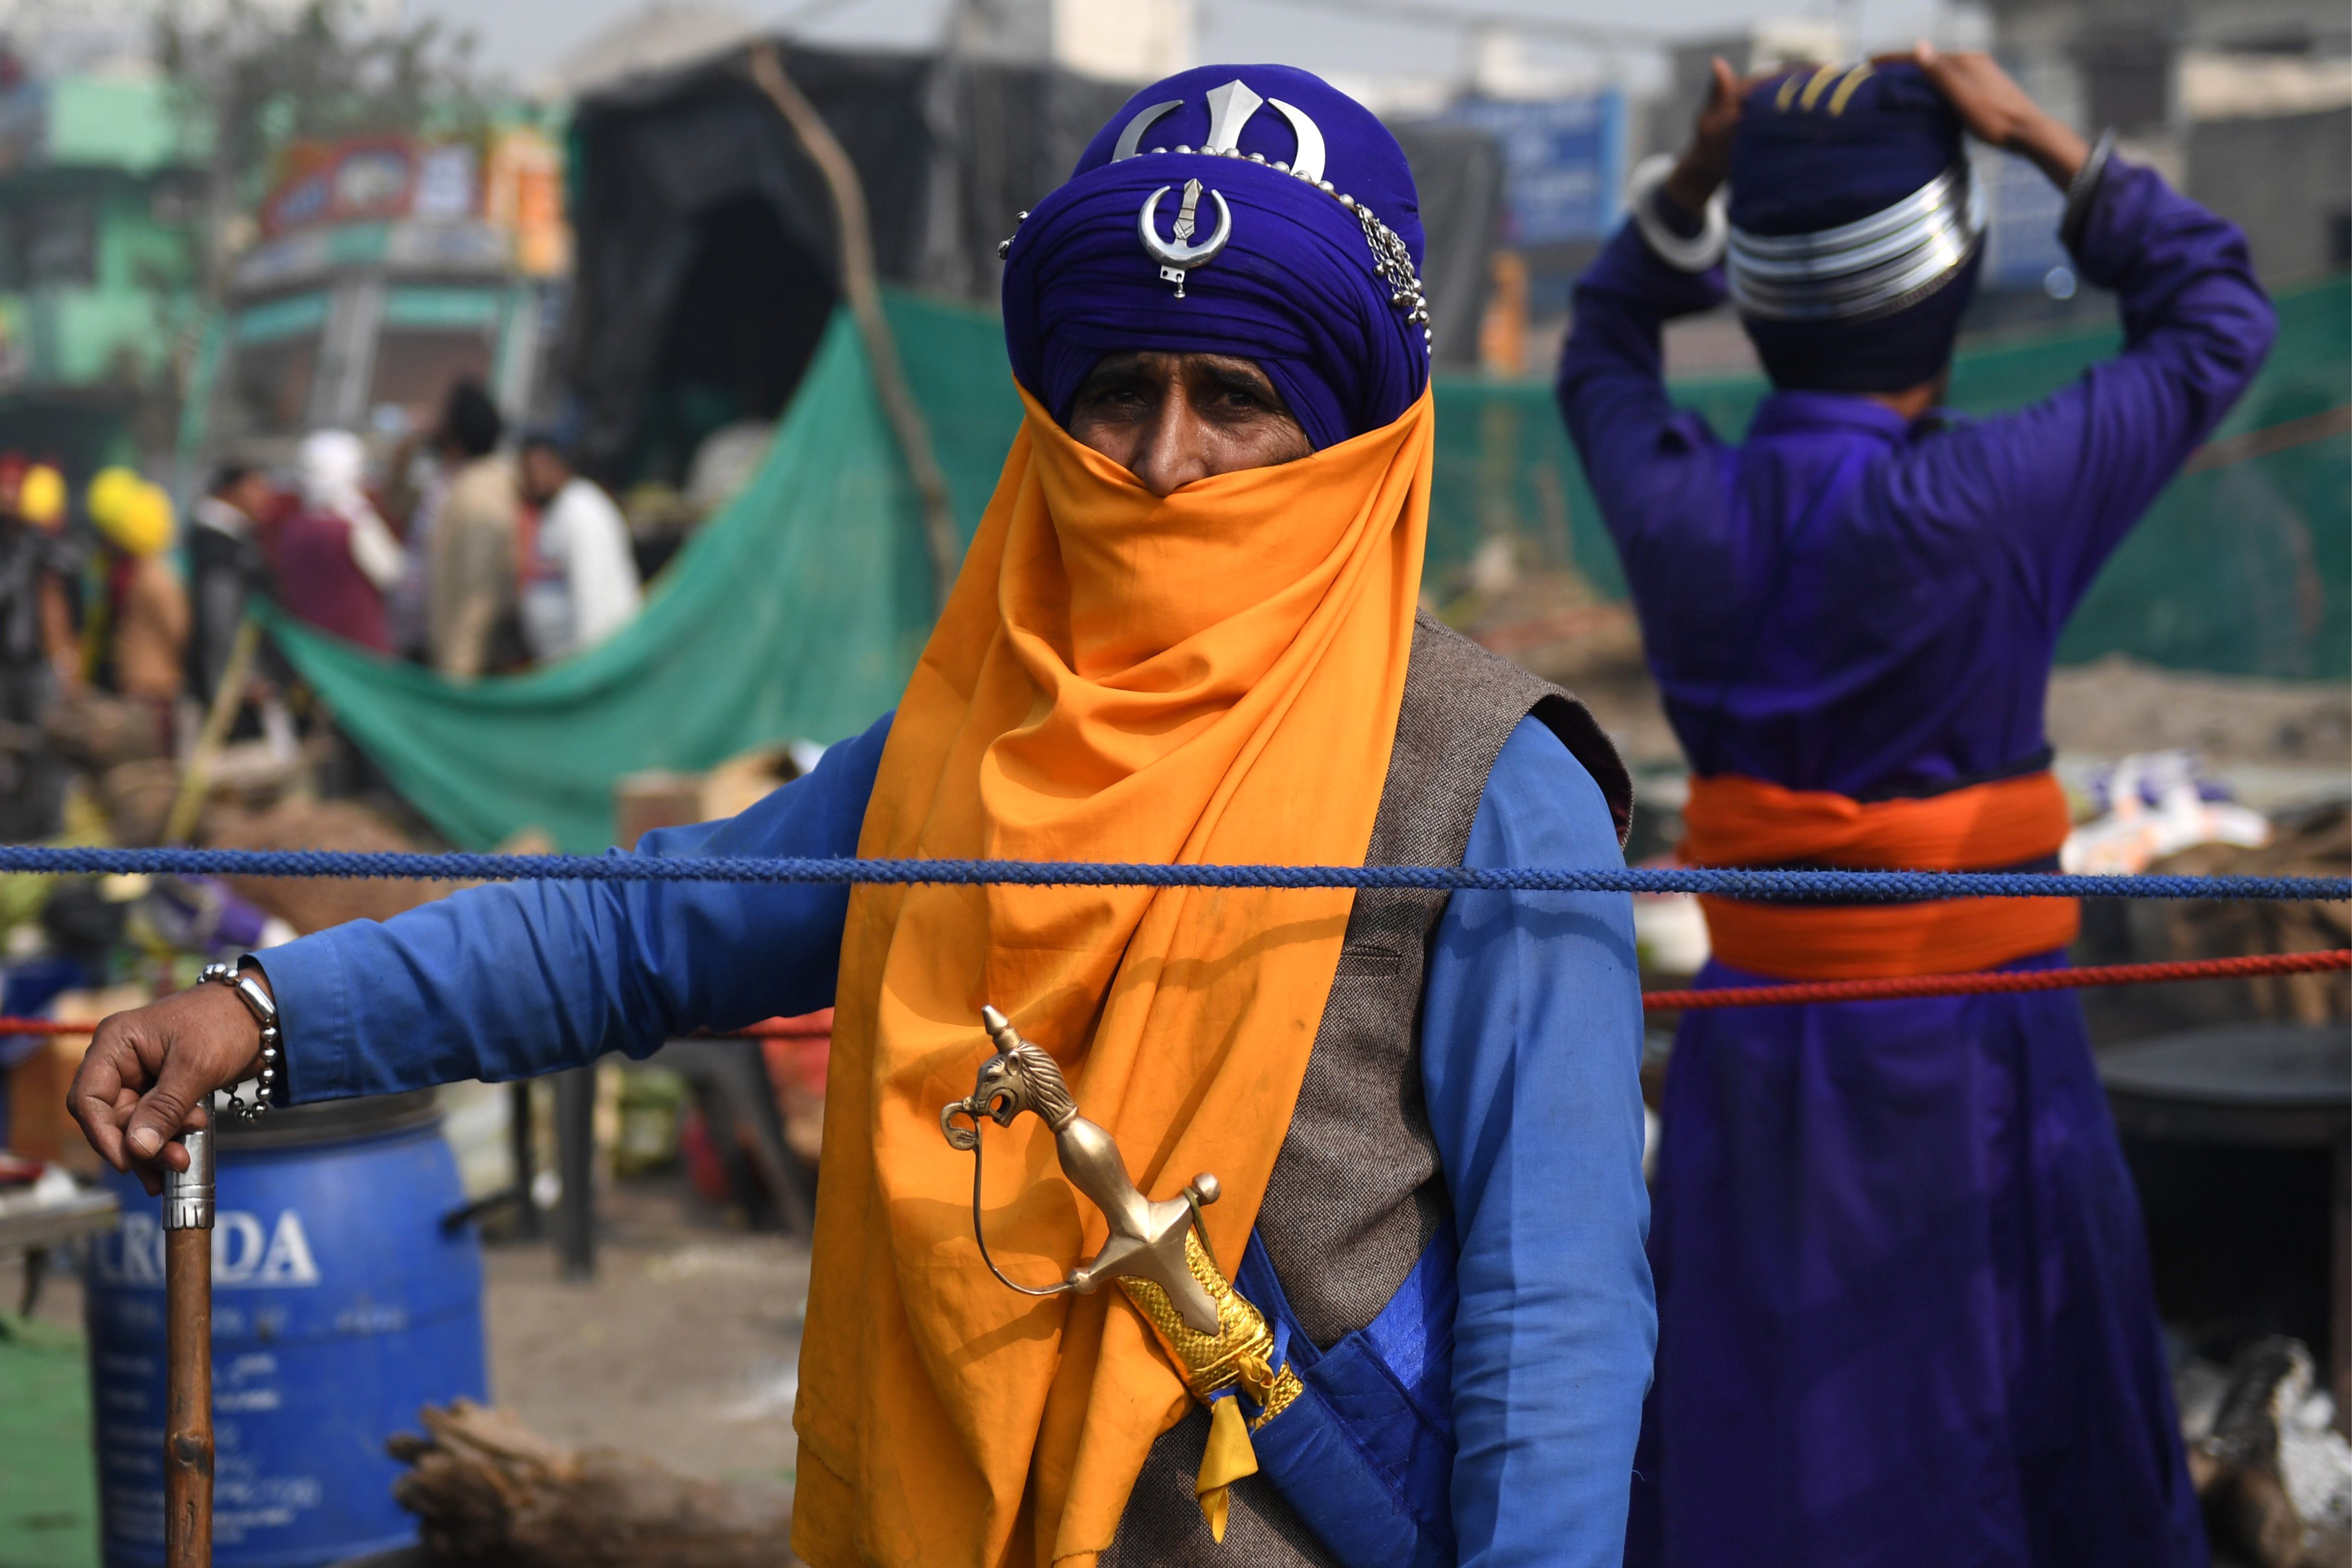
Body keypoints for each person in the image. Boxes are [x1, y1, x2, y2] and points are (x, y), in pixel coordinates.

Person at [69, 66, 1655, 1568]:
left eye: (1233, 396)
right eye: (1118, 390)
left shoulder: (1490, 785)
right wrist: (265, 1011)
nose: (1166, 461)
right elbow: (639, 933)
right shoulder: (968, 750)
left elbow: (1555, 1312)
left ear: (1350, 435)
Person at [1554, 46, 2273, 1568]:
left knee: (1759, 1412)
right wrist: (2032, 133)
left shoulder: (1677, 506)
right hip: (1980, 1044)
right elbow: (2217, 309)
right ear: (1945, 283)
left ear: (1754, 288)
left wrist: (1694, 176)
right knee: (2007, 1402)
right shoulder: (1995, 496)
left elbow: (1602, 338)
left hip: (1750, 1051)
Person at [424, 381, 522, 680]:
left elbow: (478, 596)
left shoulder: (477, 496)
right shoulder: (475, 484)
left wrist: (457, 678)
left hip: (472, 670)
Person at [516, 428, 641, 663]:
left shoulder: (581, 510)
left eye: (541, 467)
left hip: (590, 662)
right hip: (559, 664)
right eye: (528, 470)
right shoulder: (553, 510)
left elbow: (594, 596)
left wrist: (587, 668)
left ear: (561, 464)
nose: (535, 478)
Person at [0, 456, 76, 837]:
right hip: (4, 665)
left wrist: (66, 663)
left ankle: (48, 834)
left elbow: (59, 603)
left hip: (36, 664)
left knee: (48, 750)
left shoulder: (45, 545)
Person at [275, 431, 404, 655]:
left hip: (311, 650)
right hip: (358, 654)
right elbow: (394, 575)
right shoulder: (354, 528)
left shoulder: (294, 527)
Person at [83, 468, 190, 711]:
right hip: (136, 683)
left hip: (152, 686)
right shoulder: (130, 572)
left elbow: (177, 629)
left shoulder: (151, 576)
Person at [187, 462, 275, 704]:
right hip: (231, 685)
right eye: (255, 487)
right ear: (229, 491)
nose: (264, 496)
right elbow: (220, 617)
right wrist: (246, 679)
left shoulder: (239, 538)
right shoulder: (217, 546)